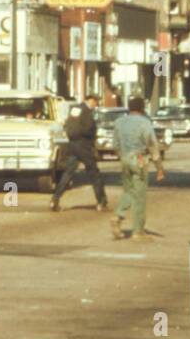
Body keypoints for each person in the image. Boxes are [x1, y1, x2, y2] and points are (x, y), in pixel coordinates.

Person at [109, 96, 164, 241]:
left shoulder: (119, 122)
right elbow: (152, 145)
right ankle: (138, 232)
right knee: (139, 195)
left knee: (129, 191)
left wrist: (123, 157)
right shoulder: (144, 123)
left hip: (124, 158)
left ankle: (118, 215)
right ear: (142, 108)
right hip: (139, 159)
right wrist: (159, 168)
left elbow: (115, 145)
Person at [50, 93, 108, 212]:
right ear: (90, 101)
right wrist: (93, 136)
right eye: (96, 102)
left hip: (72, 145)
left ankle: (55, 199)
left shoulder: (74, 109)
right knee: (94, 173)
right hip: (84, 145)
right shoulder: (87, 112)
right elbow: (88, 129)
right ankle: (101, 201)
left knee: (68, 173)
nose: (96, 105)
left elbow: (68, 125)